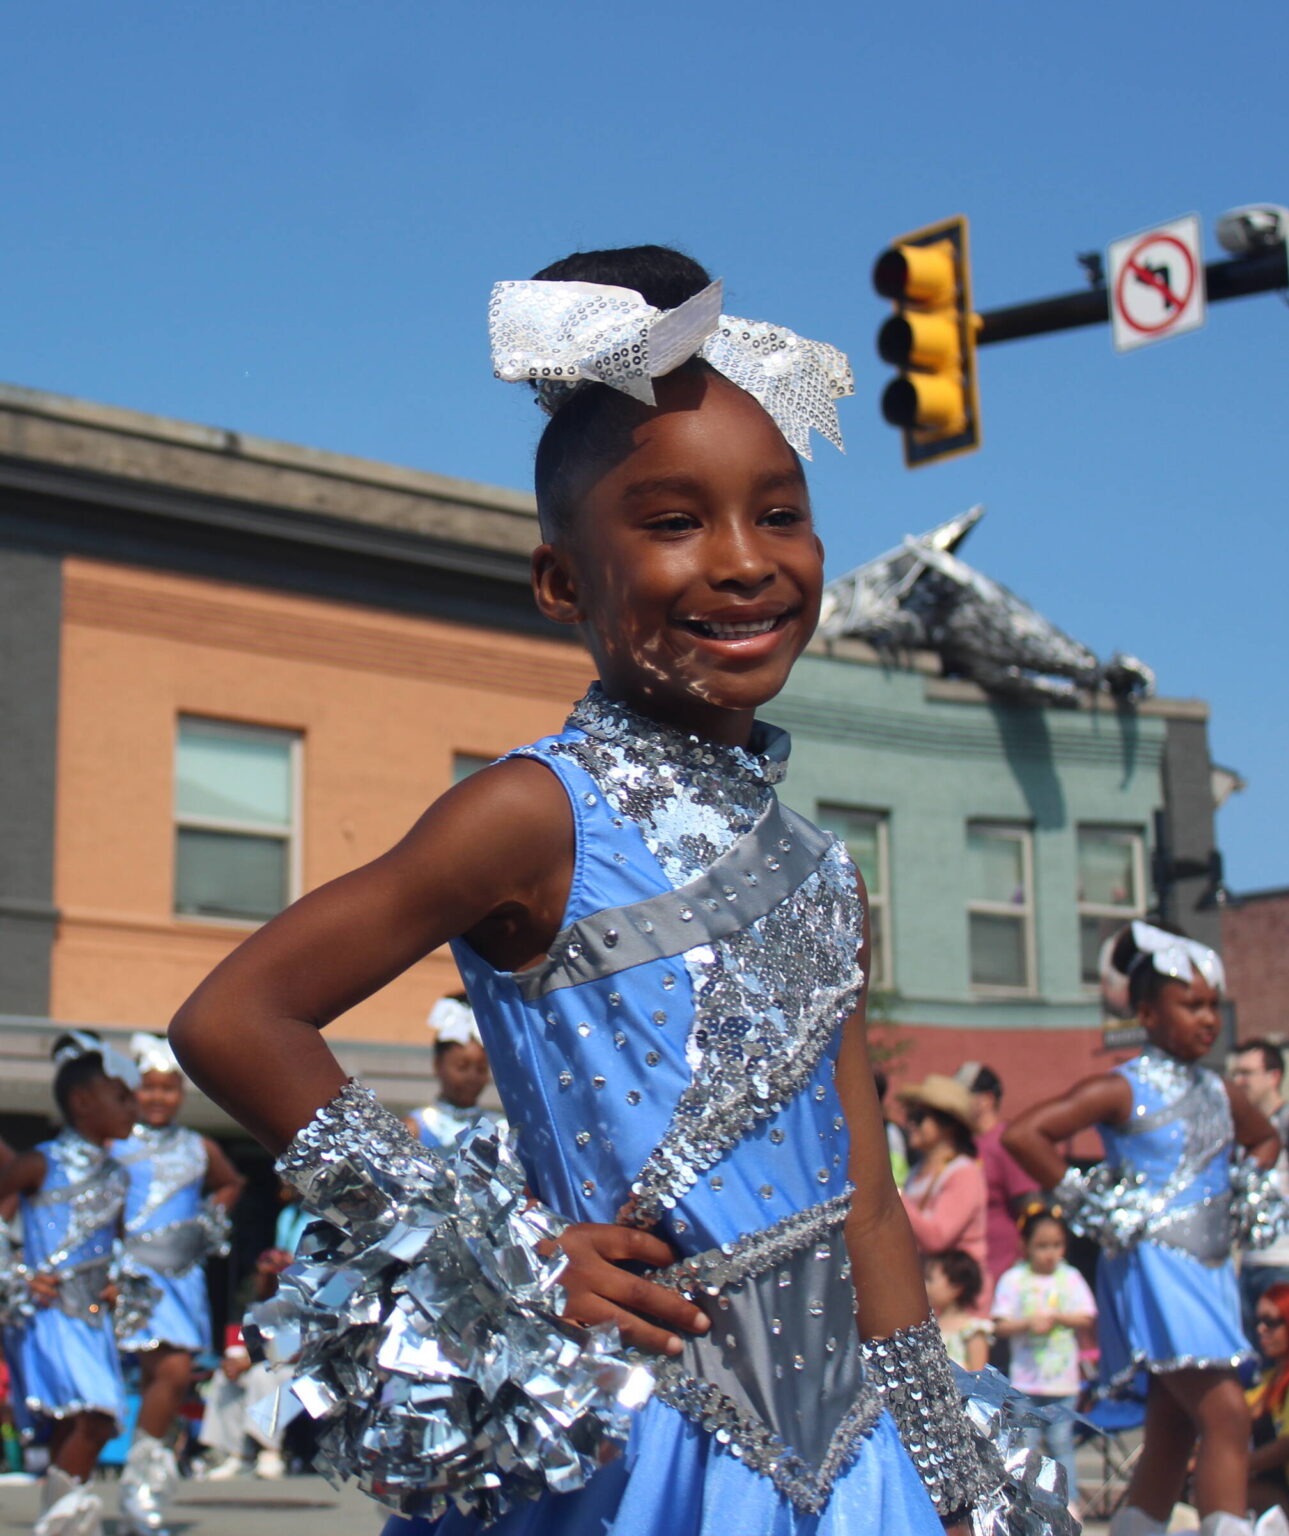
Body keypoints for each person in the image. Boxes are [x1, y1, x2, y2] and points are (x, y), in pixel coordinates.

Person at [169, 246, 993, 1535]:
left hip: (854, 1462)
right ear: (562, 582)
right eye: (673, 523)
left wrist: (953, 1475)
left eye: (779, 514)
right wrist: (489, 1253)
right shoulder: (533, 813)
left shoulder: (828, 874)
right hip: (634, 1445)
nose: (743, 561)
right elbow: (234, 1017)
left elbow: (870, 1203)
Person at [1004, 919, 1281, 1536]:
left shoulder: (1220, 1091)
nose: (1207, 1019)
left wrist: (1246, 1186)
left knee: (1173, 1428)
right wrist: (1094, 1204)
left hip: (1211, 1271)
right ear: (1149, 1013)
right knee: (1227, 1416)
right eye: (1191, 1005)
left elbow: (1266, 1139)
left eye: (1212, 1005)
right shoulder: (1123, 1089)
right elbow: (1026, 1134)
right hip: (1157, 1272)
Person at [0, 1031, 140, 1536]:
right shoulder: (41, 1162)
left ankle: (57, 1520)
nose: (132, 1107)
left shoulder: (118, 1176)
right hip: (48, 1312)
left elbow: (116, 1242)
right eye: (121, 1097)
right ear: (82, 1102)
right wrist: (14, 1275)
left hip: (93, 1318)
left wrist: (118, 1279)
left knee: (72, 1422)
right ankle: (60, 1522)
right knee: (97, 1415)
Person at [111, 1032, 244, 1534]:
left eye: (167, 1089)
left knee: (169, 1374)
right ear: (132, 1090)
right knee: (166, 1373)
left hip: (181, 1277)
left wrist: (206, 1224)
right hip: (129, 1273)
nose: (157, 1097)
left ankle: (140, 1485)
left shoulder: (198, 1146)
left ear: (181, 1094)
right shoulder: (117, 1142)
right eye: (148, 1087)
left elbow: (231, 1182)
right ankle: (138, 1483)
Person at [992, 1203, 1097, 1515]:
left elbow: (1087, 1316)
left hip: (1062, 1382)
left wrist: (1058, 1318)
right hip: (1026, 1382)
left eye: (1056, 1245)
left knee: (1061, 1444)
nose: (1050, 1253)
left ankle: (1067, 1502)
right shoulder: (1014, 1279)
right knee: (1026, 1445)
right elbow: (999, 1324)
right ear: (1025, 1245)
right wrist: (1027, 1323)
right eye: (1042, 1246)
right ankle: (1025, 1503)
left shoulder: (1070, 1277)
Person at [1232, 1041, 1289, 1337]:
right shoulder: (1240, 1129)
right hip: (1251, 1264)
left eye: (1247, 1073)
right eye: (1235, 1073)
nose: (1239, 1081)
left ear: (1273, 1076)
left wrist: (1264, 1202)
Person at [898, 1075, 989, 1294]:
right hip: (927, 1292)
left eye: (919, 1117)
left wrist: (898, 1199)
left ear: (947, 1125)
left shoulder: (964, 1173)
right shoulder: (915, 1173)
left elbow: (937, 1238)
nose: (911, 1124)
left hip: (960, 1297)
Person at [955, 1063, 1040, 1298]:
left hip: (1002, 1275)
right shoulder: (964, 1146)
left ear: (986, 1100)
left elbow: (1031, 1204)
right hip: (967, 1275)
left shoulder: (1004, 1143)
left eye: (962, 1095)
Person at [1246, 1282, 1289, 1534]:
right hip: (1277, 1496)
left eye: (1271, 1322)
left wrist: (1232, 1468)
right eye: (1258, 1321)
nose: (1261, 1329)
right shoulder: (1268, 1381)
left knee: (1227, 1491)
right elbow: (1230, 1420)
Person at [404, 996, 504, 1150]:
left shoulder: (499, 1129)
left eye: (481, 1069)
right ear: (438, 1065)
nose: (472, 1077)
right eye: (462, 1067)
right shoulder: (415, 1128)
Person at [923, 1249, 991, 1371]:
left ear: (956, 1287)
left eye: (930, 1279)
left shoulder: (973, 1330)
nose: (925, 1285)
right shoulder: (927, 1327)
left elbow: (978, 1375)